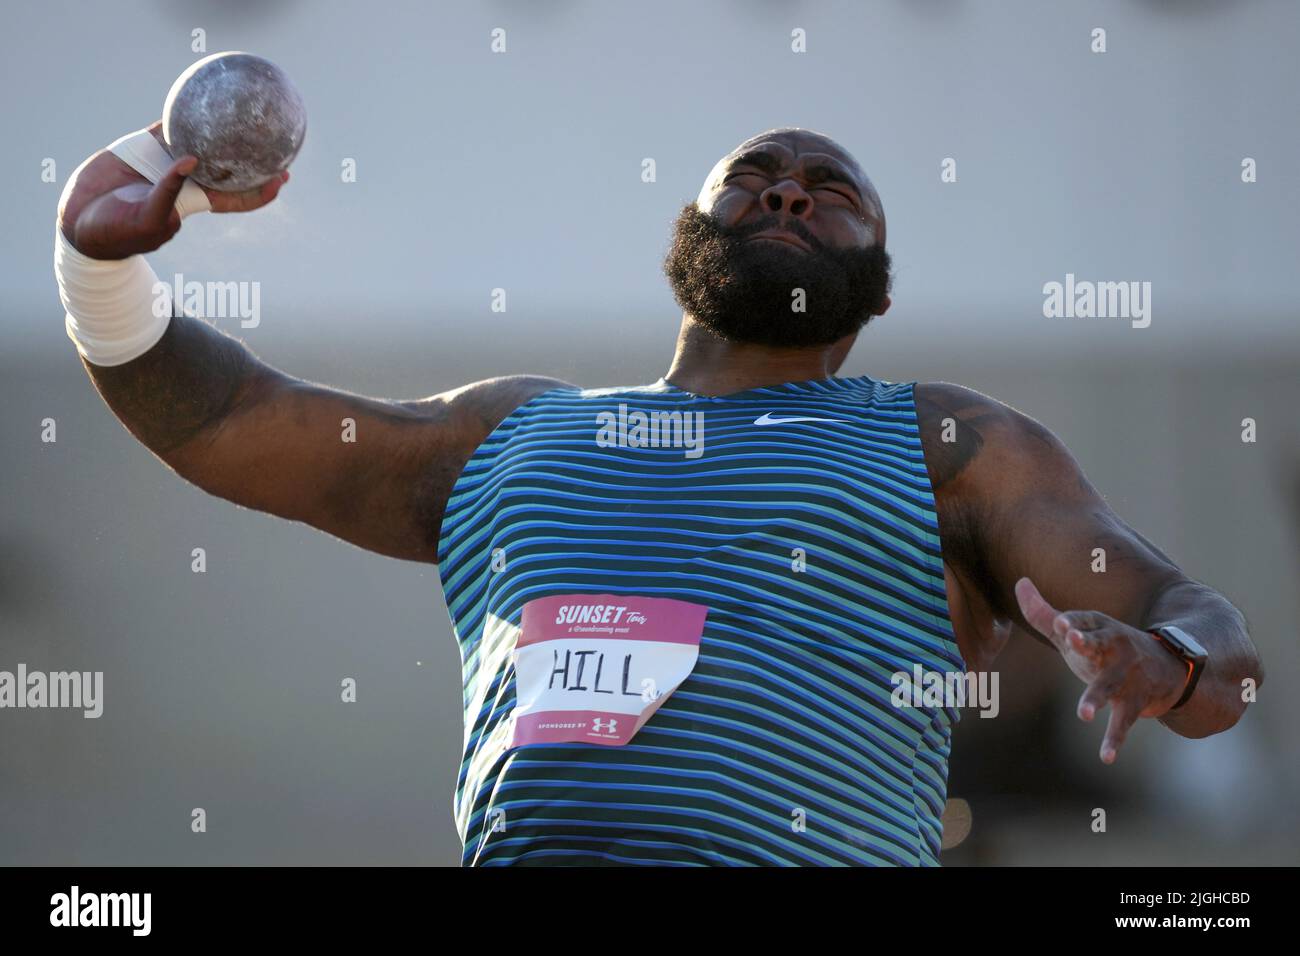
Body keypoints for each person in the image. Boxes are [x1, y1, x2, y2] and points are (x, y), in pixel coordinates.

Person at [55, 123, 1263, 866]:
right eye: (753, 177)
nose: (787, 192)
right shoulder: (515, 429)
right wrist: (101, 269)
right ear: (687, 233)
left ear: (875, 291)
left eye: (828, 190)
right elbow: (229, 423)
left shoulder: (946, 442)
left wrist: (1173, 657)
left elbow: (1183, 607)